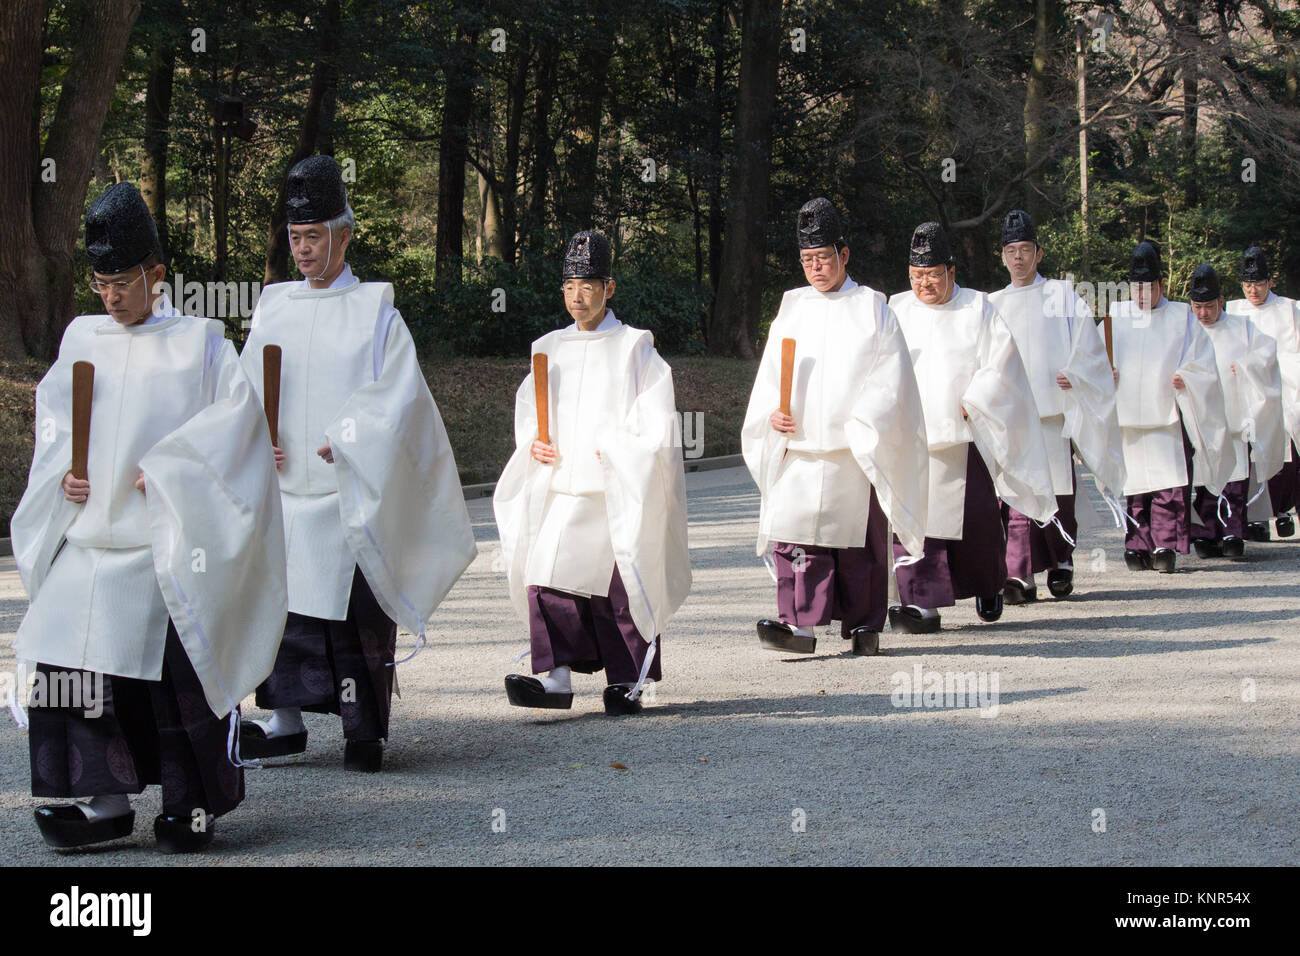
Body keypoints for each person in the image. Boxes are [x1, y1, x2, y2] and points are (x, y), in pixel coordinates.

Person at [10, 182, 286, 851]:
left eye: (123, 282)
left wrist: (171, 471)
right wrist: (63, 476)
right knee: (66, 656)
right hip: (94, 538)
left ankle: (192, 807)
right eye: (101, 282)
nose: (111, 296)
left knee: (173, 671)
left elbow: (237, 428)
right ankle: (102, 800)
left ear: (156, 275)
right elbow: (56, 426)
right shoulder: (83, 338)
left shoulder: (202, 347)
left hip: (166, 543)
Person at [239, 155, 475, 770]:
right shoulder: (273, 307)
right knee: (283, 606)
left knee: (352, 619)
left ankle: (362, 730)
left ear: (344, 235)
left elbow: (399, 396)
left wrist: (348, 434)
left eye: (314, 236)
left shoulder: (377, 313)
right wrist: (250, 435)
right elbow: (241, 391)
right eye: (295, 237)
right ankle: (283, 719)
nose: (304, 250)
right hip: (287, 487)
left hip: (349, 487)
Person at [495, 230, 690, 714]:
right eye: (568, 286)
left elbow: (657, 416)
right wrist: (534, 442)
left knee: (619, 587)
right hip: (563, 486)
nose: (576, 296)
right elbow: (531, 409)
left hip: (615, 488)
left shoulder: (634, 347)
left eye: (587, 285)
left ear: (610, 287)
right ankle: (557, 681)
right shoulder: (548, 348)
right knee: (547, 578)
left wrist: (627, 450)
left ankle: (628, 681)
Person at [740, 198, 928, 656]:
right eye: (807, 260)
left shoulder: (873, 308)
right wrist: (773, 414)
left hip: (852, 446)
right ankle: (798, 624)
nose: (815, 268)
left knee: (857, 547)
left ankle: (865, 626)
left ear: (845, 255)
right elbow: (770, 376)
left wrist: (866, 421)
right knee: (797, 540)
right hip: (800, 448)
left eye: (823, 258)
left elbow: (893, 378)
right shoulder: (792, 308)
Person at [887, 222, 1057, 632]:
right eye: (916, 276)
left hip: (965, 435)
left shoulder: (978, 307)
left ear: (951, 270)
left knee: (977, 524)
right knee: (914, 524)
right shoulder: (896, 308)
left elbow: (1002, 365)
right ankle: (921, 604)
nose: (924, 285)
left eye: (932, 275)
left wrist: (977, 400)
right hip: (913, 438)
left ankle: (988, 585)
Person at [989, 210, 1125, 602]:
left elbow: (1089, 348)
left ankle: (1061, 563)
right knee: (1015, 495)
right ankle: (1019, 575)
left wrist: (1077, 374)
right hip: (1013, 418)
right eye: (1011, 251)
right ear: (1002, 256)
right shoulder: (992, 304)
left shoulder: (1063, 295)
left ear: (1039, 253)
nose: (1018, 257)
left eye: (1025, 250)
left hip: (1051, 416)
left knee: (1058, 493)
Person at [1110, 241, 1231, 573]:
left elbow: (1203, 363)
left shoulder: (1182, 316)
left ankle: (1164, 544)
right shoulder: (1117, 316)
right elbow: (1097, 357)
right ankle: (1137, 543)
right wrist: (1108, 372)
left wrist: (1187, 378)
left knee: (1168, 485)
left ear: (1161, 284)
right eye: (1136, 287)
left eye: (1148, 286)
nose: (1142, 293)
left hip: (1167, 414)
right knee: (1135, 486)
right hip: (1129, 417)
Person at [1187, 263, 1286, 558]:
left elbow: (1267, 353)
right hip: (1202, 418)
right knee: (1206, 480)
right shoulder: (1187, 330)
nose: (1203, 313)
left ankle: (1232, 531)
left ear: (1221, 302)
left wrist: (1247, 366)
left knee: (1235, 478)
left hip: (1235, 415)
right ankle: (1205, 533)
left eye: (1209, 306)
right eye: (1197, 306)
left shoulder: (1242, 326)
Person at [1225, 246, 1300, 541]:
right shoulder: (1234, 310)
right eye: (1247, 285)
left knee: (1286, 445)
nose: (1253, 290)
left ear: (1270, 282)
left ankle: (1283, 509)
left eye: (1258, 283)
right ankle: (1254, 516)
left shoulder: (1290, 309)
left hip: (1285, 386)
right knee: (1251, 449)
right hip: (1245, 390)